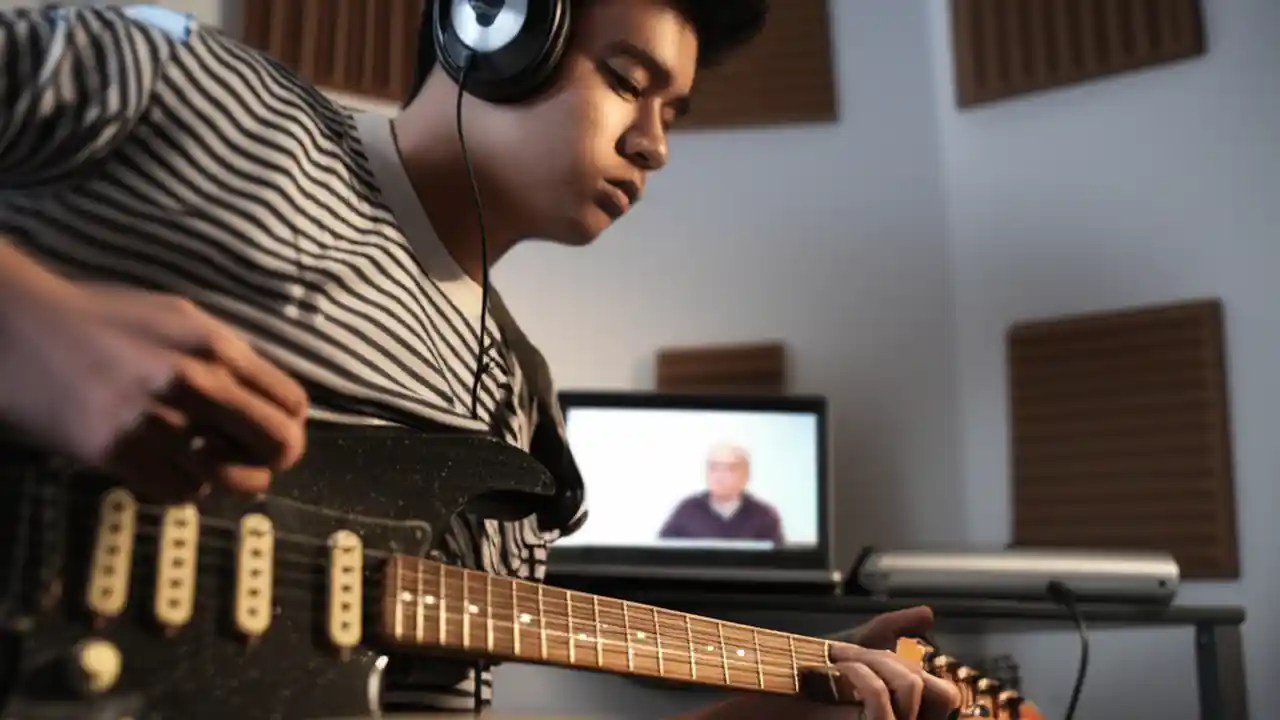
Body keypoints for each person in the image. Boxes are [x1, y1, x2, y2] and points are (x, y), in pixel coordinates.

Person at [0, 1, 961, 718]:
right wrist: (35, 333)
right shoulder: (203, 96)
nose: (657, 146)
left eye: (675, 111)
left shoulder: (519, 422)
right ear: (494, 26)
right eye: (628, 80)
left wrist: (782, 708)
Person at [660, 442, 785, 545]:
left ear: (745, 475)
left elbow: (777, 560)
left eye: (729, 469)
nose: (719, 476)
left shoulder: (763, 515)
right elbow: (664, 553)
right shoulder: (687, 510)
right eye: (714, 468)